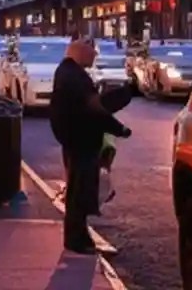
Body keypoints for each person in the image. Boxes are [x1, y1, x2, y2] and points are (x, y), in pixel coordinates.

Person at [49, 38, 132, 255]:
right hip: (81, 141)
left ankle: (80, 237)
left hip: (75, 139)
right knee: (80, 192)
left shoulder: (68, 72)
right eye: (91, 51)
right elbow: (96, 108)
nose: (95, 55)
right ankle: (77, 241)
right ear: (80, 53)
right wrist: (119, 128)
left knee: (78, 190)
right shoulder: (75, 77)